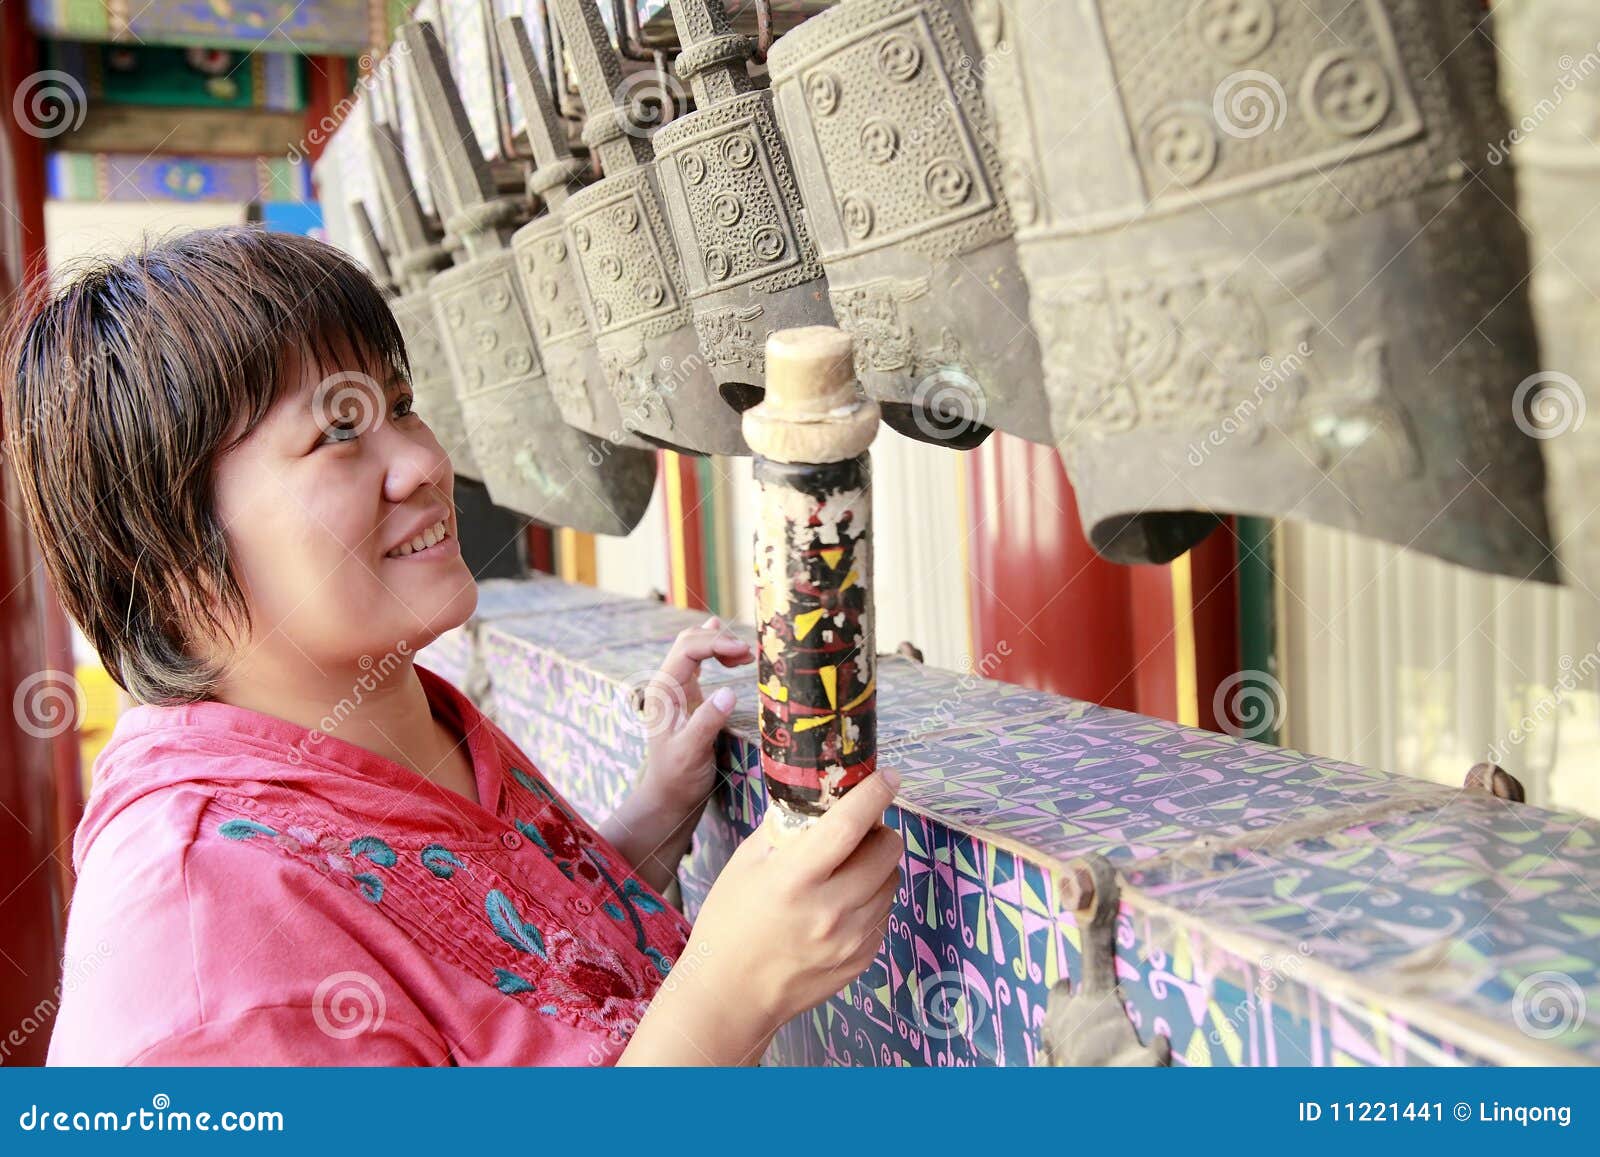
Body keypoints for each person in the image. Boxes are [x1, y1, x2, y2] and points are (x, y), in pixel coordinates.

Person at [0, 226, 902, 1065]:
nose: (424, 463)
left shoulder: (400, 717)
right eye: (336, 435)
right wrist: (729, 991)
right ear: (171, 563)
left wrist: (645, 828)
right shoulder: (195, 937)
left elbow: (501, 984)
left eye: (399, 405)